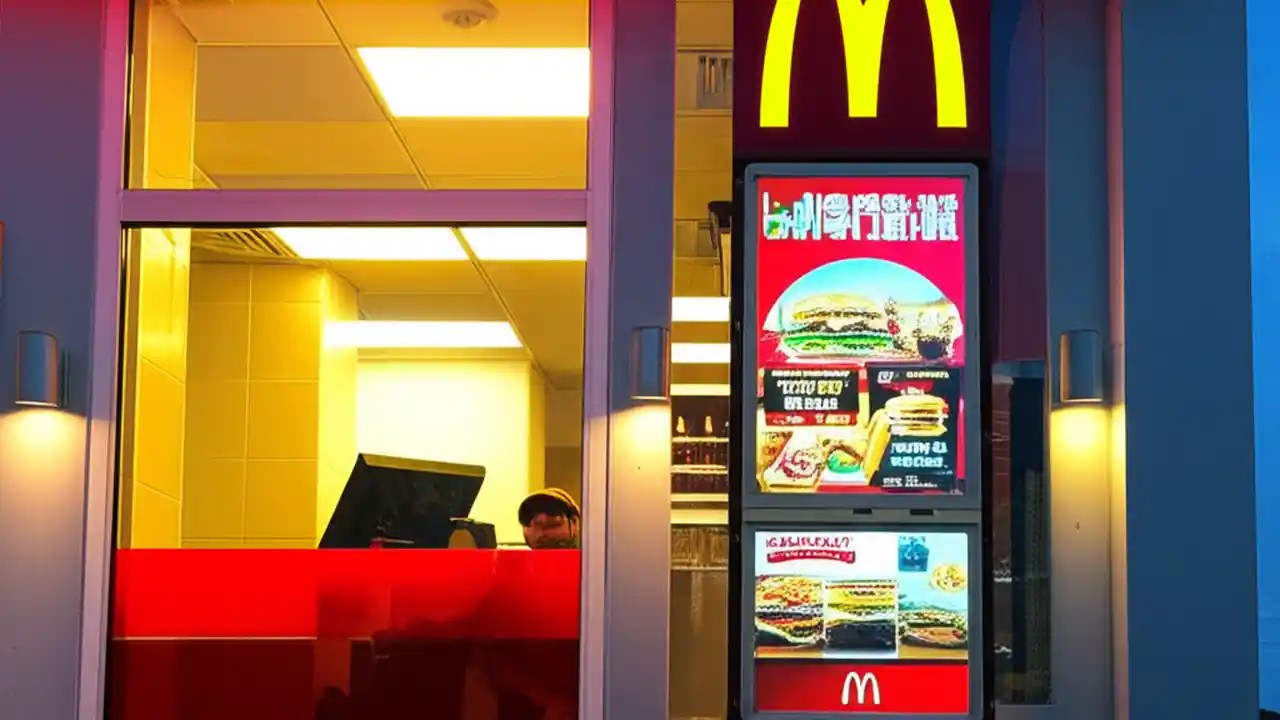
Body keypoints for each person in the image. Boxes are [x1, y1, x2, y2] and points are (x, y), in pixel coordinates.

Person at [517, 488, 581, 549]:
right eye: (534, 524)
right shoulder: (517, 559)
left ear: (575, 522)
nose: (542, 532)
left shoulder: (587, 558)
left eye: (552, 522)